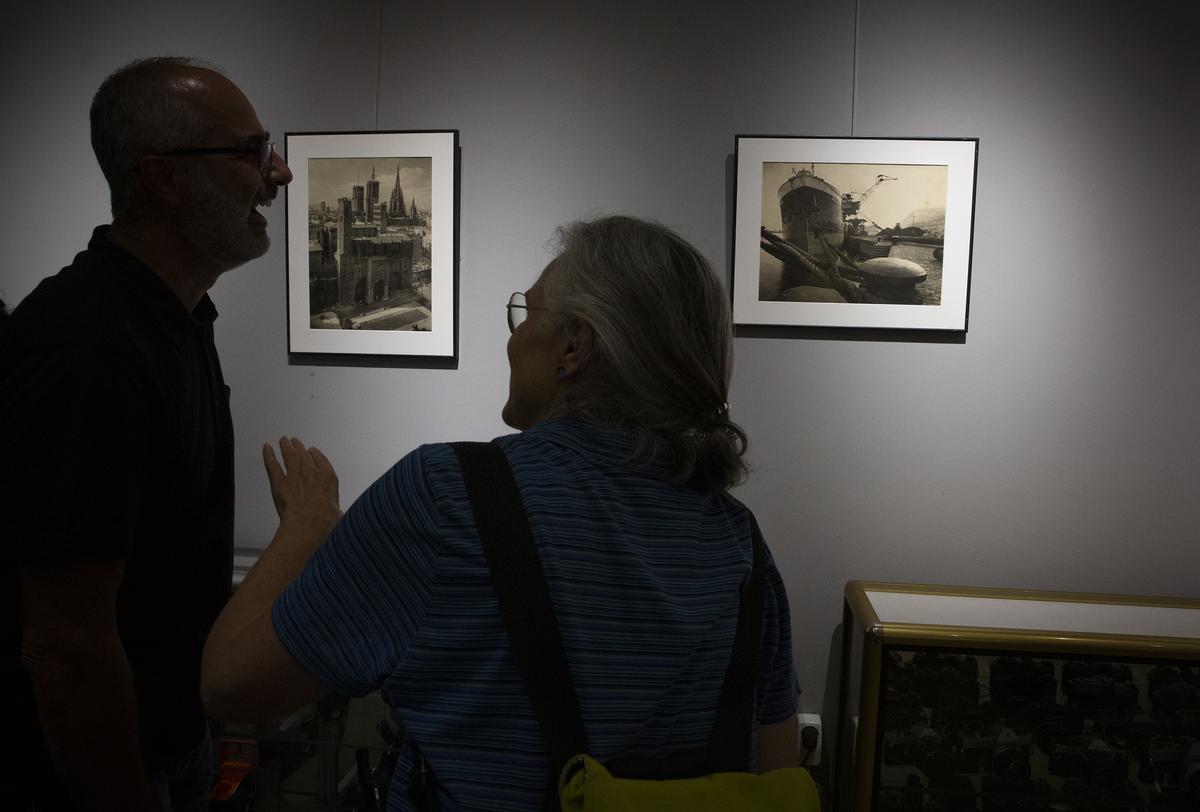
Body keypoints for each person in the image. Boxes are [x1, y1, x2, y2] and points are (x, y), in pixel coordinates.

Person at [202, 216, 799, 810]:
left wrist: (304, 531)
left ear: (574, 344)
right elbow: (775, 769)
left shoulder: (443, 498)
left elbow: (229, 686)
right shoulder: (740, 542)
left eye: (526, 314)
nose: (513, 339)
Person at [0, 57, 292, 811]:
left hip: (174, 744)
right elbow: (64, 641)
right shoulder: (85, 341)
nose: (280, 173)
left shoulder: (177, 319)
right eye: (254, 151)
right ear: (165, 178)